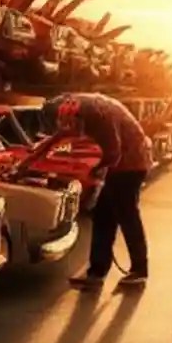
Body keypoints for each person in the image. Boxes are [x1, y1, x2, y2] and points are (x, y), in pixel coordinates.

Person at [38, 92, 153, 290]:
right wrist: (28, 161)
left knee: (126, 214)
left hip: (132, 162)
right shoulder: (75, 107)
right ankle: (97, 273)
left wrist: (92, 173)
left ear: (75, 115)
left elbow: (113, 153)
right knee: (103, 216)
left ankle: (139, 271)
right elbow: (56, 138)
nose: (74, 130)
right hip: (120, 162)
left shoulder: (98, 115)